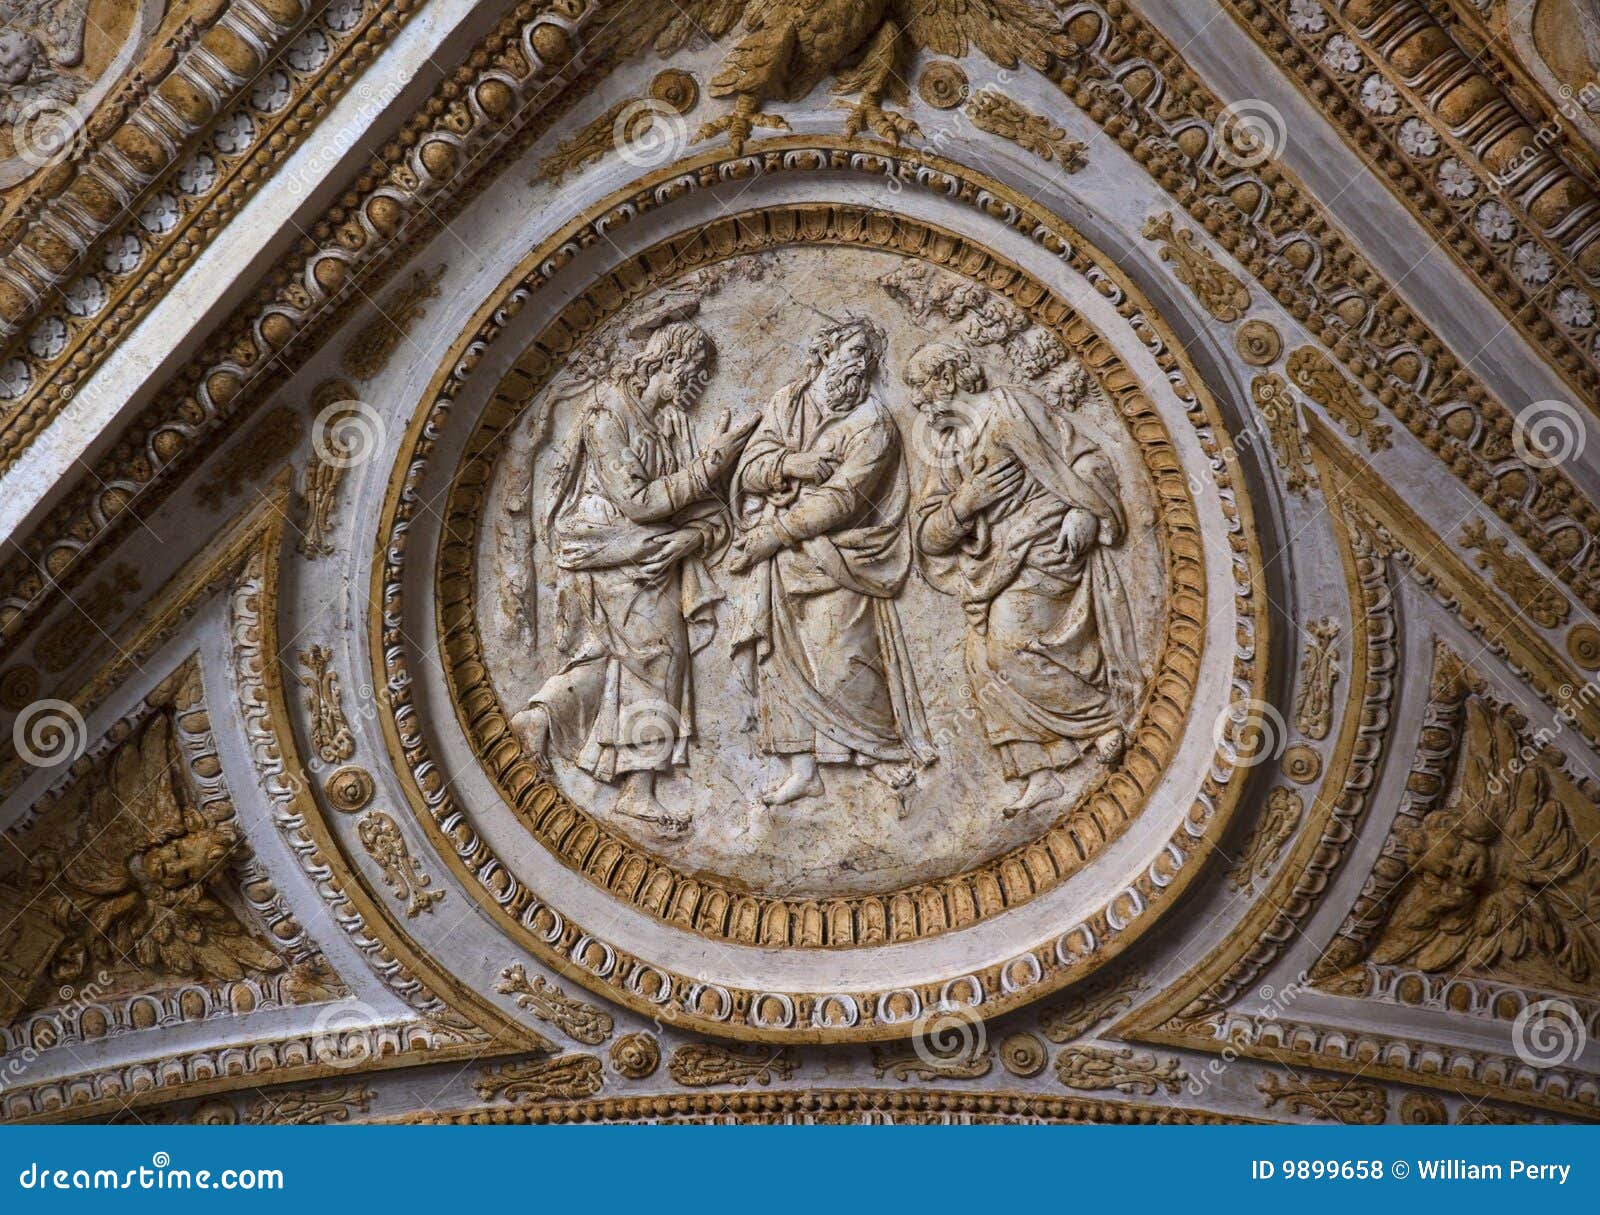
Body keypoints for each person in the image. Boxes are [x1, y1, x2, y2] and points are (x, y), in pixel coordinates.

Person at [511, 322, 756, 834]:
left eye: (706, 375)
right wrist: (716, 459)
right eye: (694, 371)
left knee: (613, 658)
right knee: (659, 658)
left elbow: (701, 507)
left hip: (648, 552)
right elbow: (639, 502)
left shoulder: (669, 419)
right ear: (666, 360)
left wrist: (689, 539)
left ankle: (541, 719)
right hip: (612, 549)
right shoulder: (608, 412)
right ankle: (637, 790)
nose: (699, 383)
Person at [903, 341, 1139, 817]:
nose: (918, 404)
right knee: (980, 660)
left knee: (1008, 650)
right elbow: (928, 536)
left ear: (947, 380)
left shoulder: (1011, 409)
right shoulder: (945, 448)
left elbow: (1087, 460)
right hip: (995, 565)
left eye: (922, 391)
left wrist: (1085, 512)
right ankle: (1043, 773)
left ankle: (1101, 722)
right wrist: (965, 503)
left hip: (1049, 545)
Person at [727, 316, 935, 807]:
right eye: (853, 350)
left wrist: (773, 535)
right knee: (782, 659)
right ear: (825, 351)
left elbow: (844, 499)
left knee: (845, 657)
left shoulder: (874, 423)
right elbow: (751, 470)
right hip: (783, 560)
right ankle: (802, 767)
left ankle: (876, 755)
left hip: (842, 556)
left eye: (868, 357)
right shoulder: (789, 401)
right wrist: (786, 464)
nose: (861, 364)